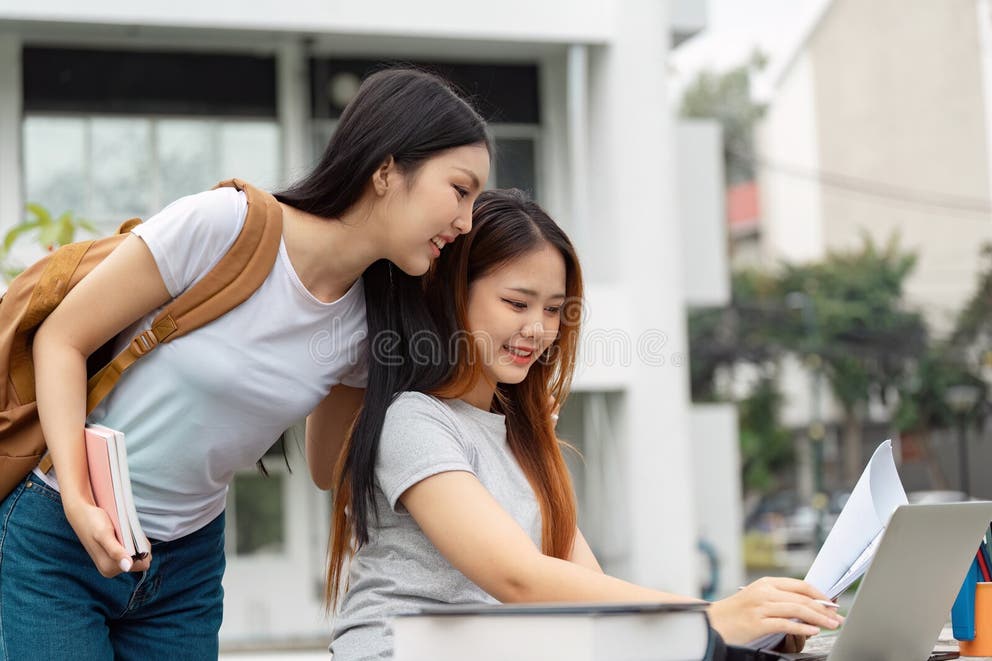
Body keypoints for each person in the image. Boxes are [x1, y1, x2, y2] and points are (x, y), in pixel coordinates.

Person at [0, 67, 491, 660]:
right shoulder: (226, 225)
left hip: (185, 565)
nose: (466, 222)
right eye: (459, 190)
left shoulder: (370, 323)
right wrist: (79, 503)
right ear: (386, 171)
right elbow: (62, 339)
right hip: (60, 532)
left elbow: (324, 470)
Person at [325, 189, 843, 660]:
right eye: (516, 303)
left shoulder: (524, 436)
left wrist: (747, 627)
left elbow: (588, 593)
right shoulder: (413, 419)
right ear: (450, 294)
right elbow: (518, 579)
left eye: (554, 310)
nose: (538, 329)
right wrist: (709, 619)